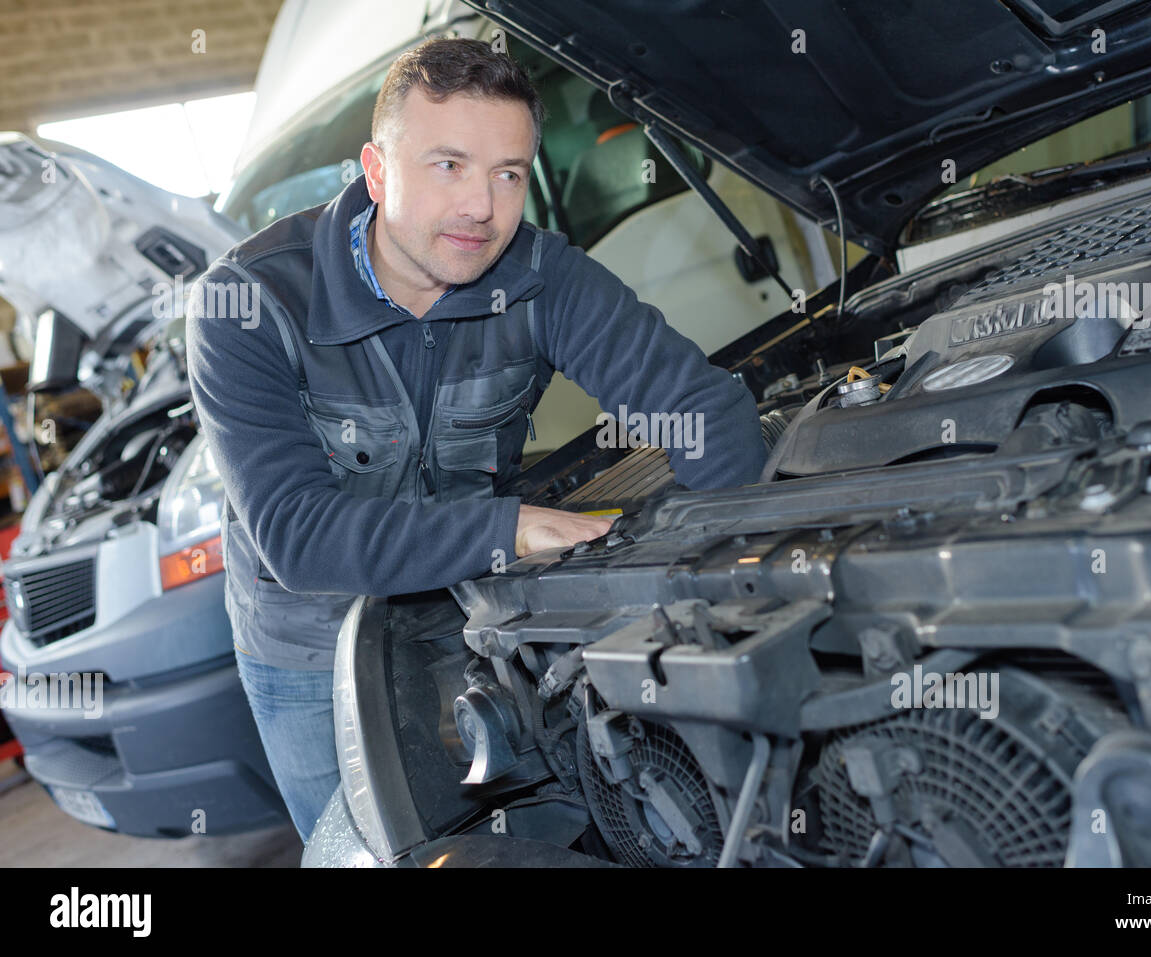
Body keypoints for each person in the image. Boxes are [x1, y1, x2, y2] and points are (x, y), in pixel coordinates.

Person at [185, 36, 767, 842]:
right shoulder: (247, 304)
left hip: (469, 613)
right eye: (447, 165)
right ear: (377, 169)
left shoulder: (538, 275)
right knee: (360, 847)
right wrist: (510, 527)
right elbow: (300, 536)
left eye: (508, 174)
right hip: (309, 652)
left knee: (513, 836)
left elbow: (705, 410)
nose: (482, 208)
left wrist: (738, 584)